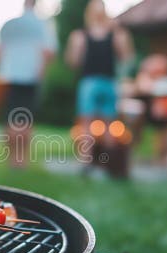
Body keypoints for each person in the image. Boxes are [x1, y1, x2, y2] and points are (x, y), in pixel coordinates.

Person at [64, 0, 133, 172]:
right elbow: (73, 61)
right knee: (89, 122)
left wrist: (118, 31)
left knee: (106, 122)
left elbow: (126, 56)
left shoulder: (114, 34)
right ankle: (89, 161)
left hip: (104, 81)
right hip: (92, 81)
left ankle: (104, 160)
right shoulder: (81, 35)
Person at [0, 0, 56, 168]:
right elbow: (48, 52)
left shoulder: (9, 24)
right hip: (31, 77)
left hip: (8, 77)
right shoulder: (43, 25)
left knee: (10, 118)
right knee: (26, 119)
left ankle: (10, 160)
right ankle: (21, 161)